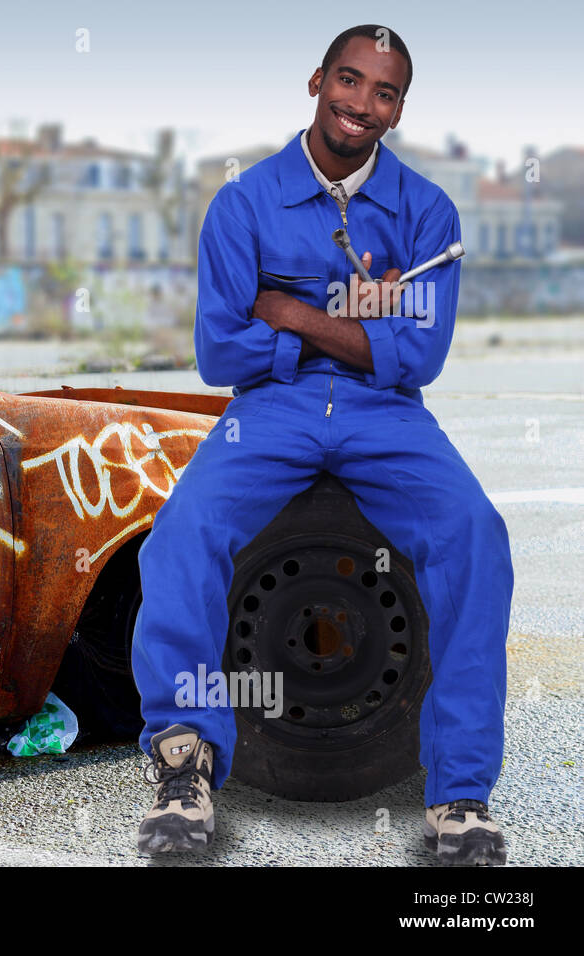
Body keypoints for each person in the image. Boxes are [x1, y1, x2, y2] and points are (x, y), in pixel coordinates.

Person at [132, 24, 513, 866]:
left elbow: (420, 356)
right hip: (269, 408)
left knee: (476, 534)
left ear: (400, 109)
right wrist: (354, 326)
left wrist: (292, 311)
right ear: (316, 80)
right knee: (180, 535)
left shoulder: (428, 215)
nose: (362, 105)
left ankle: (460, 795)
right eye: (349, 80)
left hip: (388, 413)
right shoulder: (243, 203)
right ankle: (185, 765)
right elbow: (220, 353)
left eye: (384, 93)